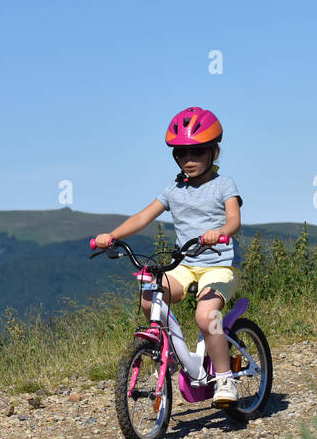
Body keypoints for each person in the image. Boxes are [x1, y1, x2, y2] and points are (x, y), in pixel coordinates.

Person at [94, 107, 244, 406]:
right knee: (150, 294)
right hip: (185, 265)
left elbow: (234, 220)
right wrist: (113, 236)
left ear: (214, 152)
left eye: (197, 152)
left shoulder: (223, 184)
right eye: (180, 154)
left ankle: (225, 378)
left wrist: (220, 232)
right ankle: (170, 353)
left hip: (219, 266)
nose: (189, 160)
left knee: (205, 316)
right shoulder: (173, 189)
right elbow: (142, 216)